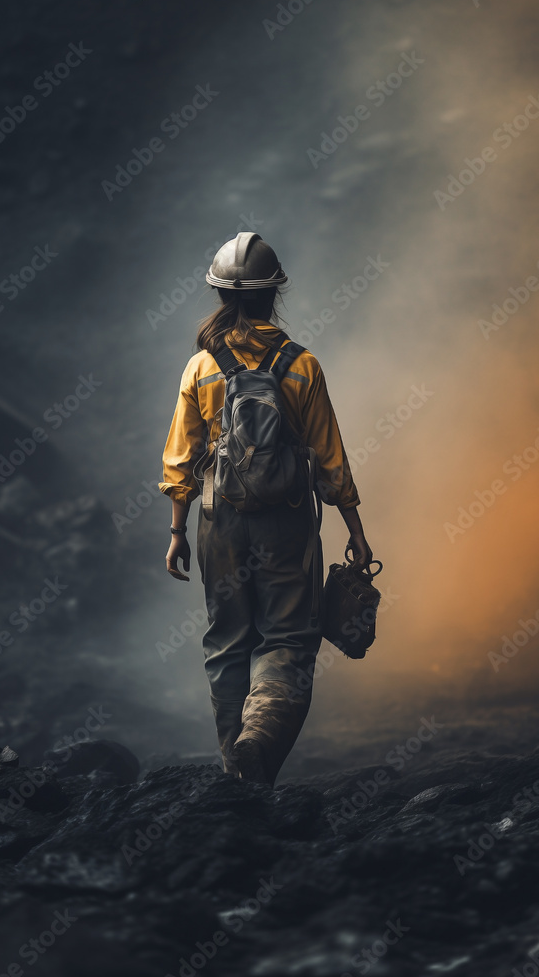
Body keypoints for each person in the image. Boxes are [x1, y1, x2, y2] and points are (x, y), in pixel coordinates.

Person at [159, 232, 372, 786]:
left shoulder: (201, 367)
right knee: (290, 641)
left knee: (227, 642)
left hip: (218, 521)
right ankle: (257, 745)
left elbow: (179, 460)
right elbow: (331, 460)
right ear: (274, 293)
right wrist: (356, 530)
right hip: (288, 520)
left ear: (221, 296)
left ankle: (237, 771)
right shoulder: (303, 366)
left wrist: (177, 531)